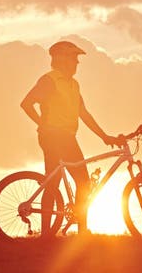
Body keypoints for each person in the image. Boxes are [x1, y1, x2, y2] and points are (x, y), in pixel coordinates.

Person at [20, 40, 119, 238]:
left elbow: (84, 114)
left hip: (68, 137)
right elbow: (26, 103)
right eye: (74, 59)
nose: (77, 63)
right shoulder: (49, 80)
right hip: (52, 137)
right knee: (53, 182)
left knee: (83, 182)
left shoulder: (74, 85)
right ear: (62, 60)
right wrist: (42, 124)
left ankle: (82, 232)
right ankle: (47, 235)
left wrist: (104, 136)